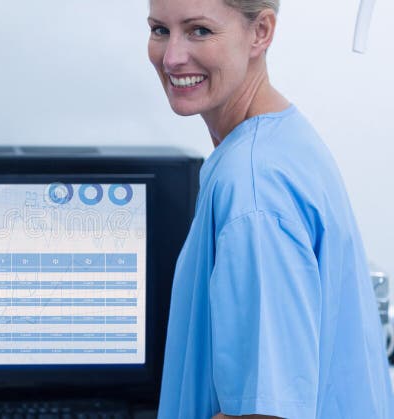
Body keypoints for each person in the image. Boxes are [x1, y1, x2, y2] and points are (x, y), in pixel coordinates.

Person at [147, 0, 394, 418]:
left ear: (260, 32)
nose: (171, 57)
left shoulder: (254, 187)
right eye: (159, 30)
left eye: (199, 31)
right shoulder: (284, 140)